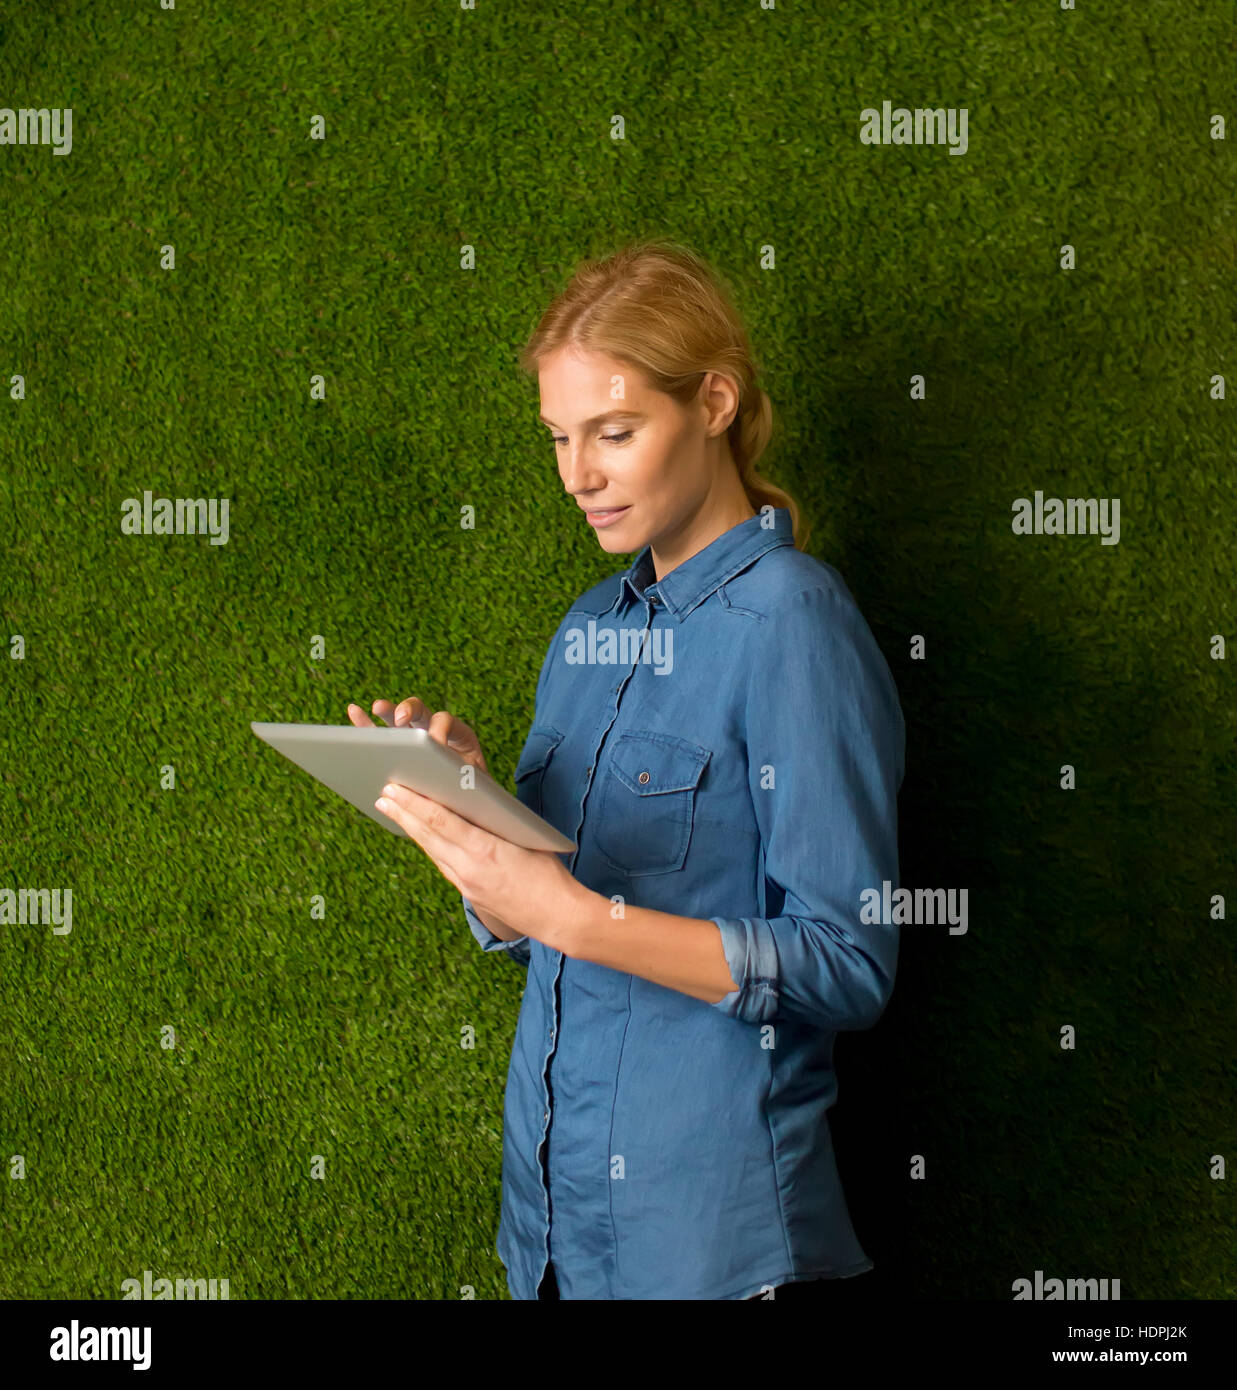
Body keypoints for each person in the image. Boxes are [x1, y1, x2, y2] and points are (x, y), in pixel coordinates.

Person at [348, 239, 905, 1300]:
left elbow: (847, 961)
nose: (577, 475)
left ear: (714, 403)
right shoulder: (587, 628)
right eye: (559, 438)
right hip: (552, 1231)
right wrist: (474, 817)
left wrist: (567, 916)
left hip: (715, 1247)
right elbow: (547, 918)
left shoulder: (794, 621)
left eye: (613, 432)